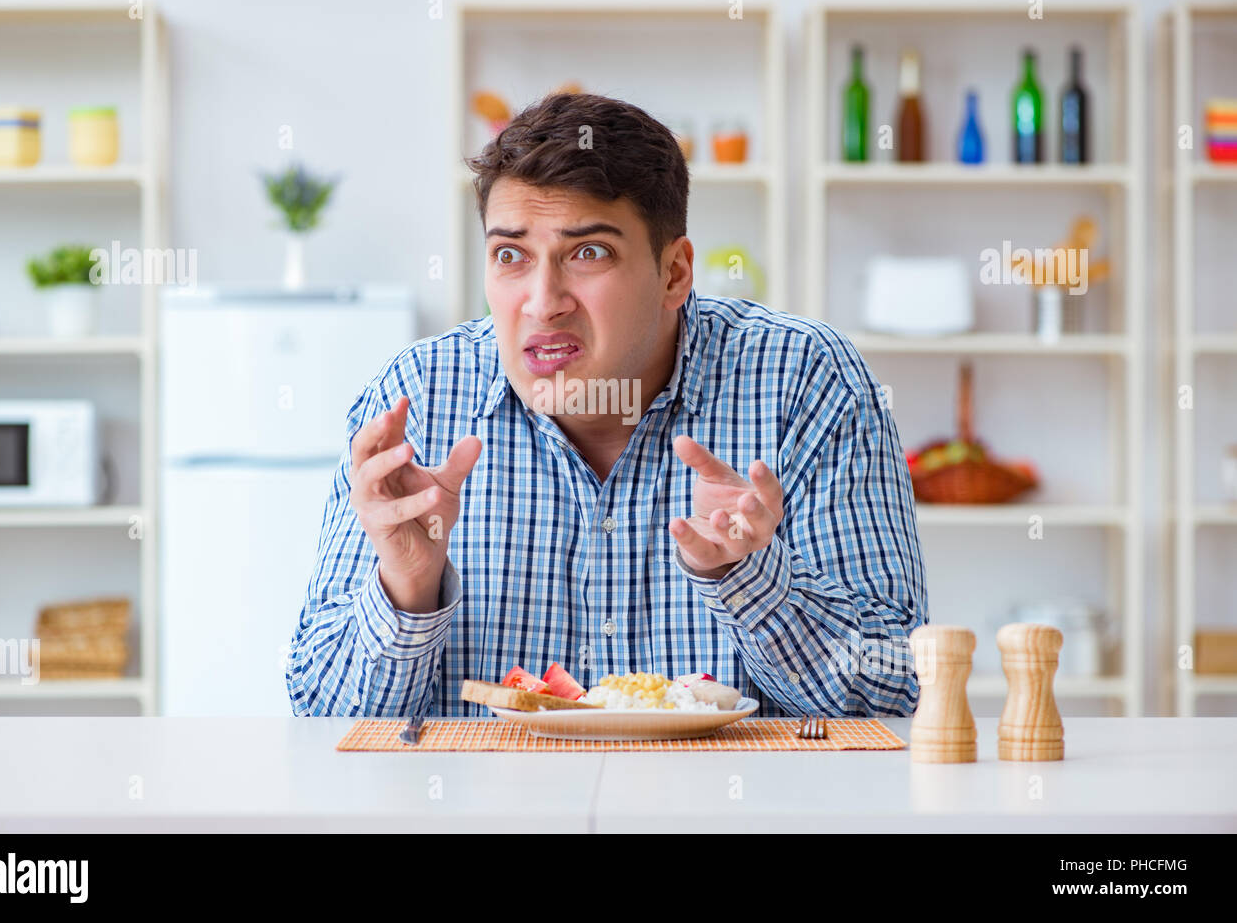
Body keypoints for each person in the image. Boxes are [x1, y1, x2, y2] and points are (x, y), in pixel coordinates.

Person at [287, 92, 927, 718]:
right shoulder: (421, 398)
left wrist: (751, 582)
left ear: (674, 272)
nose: (543, 301)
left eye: (588, 253)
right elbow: (317, 717)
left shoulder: (805, 382)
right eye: (510, 255)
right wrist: (407, 587)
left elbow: (895, 687)